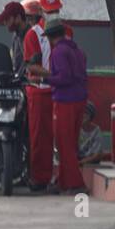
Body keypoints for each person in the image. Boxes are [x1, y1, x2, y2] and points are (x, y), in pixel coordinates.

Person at [44, 18, 89, 194]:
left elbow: (64, 78)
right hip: (79, 99)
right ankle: (63, 181)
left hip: (65, 100)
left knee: (64, 144)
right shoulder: (77, 50)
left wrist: (44, 79)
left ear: (49, 37)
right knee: (71, 142)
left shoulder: (58, 52)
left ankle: (75, 184)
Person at [20, 0, 53, 191]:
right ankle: (47, 175)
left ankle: (39, 177)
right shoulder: (55, 31)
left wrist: (51, 75)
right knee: (50, 136)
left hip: (38, 90)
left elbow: (32, 66)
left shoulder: (32, 35)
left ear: (29, 17)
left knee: (37, 136)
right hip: (54, 89)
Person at [0, 1, 29, 78]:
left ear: (18, 18)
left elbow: (30, 63)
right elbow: (14, 61)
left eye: (7, 19)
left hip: (28, 83)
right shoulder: (16, 36)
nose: (5, 23)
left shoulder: (31, 35)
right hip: (18, 82)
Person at [77, 102, 108, 166]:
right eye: (81, 113)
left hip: (91, 161)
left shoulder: (96, 131)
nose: (83, 115)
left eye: (86, 113)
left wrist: (81, 162)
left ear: (91, 116)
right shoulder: (75, 129)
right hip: (77, 160)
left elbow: (96, 155)